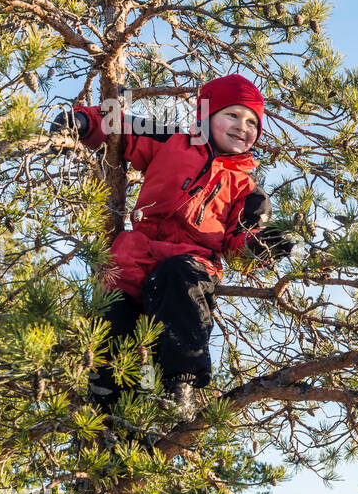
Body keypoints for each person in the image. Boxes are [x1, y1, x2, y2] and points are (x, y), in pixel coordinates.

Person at [51, 74, 295, 423]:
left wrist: (261, 248)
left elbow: (239, 242)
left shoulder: (248, 190)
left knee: (181, 291)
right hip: (136, 257)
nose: (243, 127)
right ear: (206, 114)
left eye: (253, 121)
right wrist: (82, 121)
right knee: (114, 325)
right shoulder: (174, 141)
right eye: (233, 115)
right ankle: (108, 413)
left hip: (191, 264)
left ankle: (180, 385)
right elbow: (121, 127)